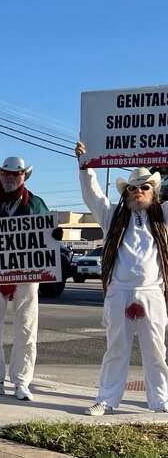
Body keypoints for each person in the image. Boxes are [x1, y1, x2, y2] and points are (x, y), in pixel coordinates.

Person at [76, 141, 168, 416]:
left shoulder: (163, 215)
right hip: (119, 291)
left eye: (144, 186)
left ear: (154, 190)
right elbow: (92, 194)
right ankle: (106, 399)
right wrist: (85, 165)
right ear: (126, 192)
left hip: (153, 291)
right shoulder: (112, 216)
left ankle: (161, 400)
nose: (138, 191)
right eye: (133, 187)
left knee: (156, 351)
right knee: (116, 348)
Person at [0, 157, 48, 401]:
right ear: (0, 176)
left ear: (24, 176)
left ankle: (21, 381)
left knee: (26, 330)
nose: (10, 178)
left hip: (26, 277)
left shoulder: (36, 204)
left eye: (16, 175)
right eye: (6, 174)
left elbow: (47, 236)